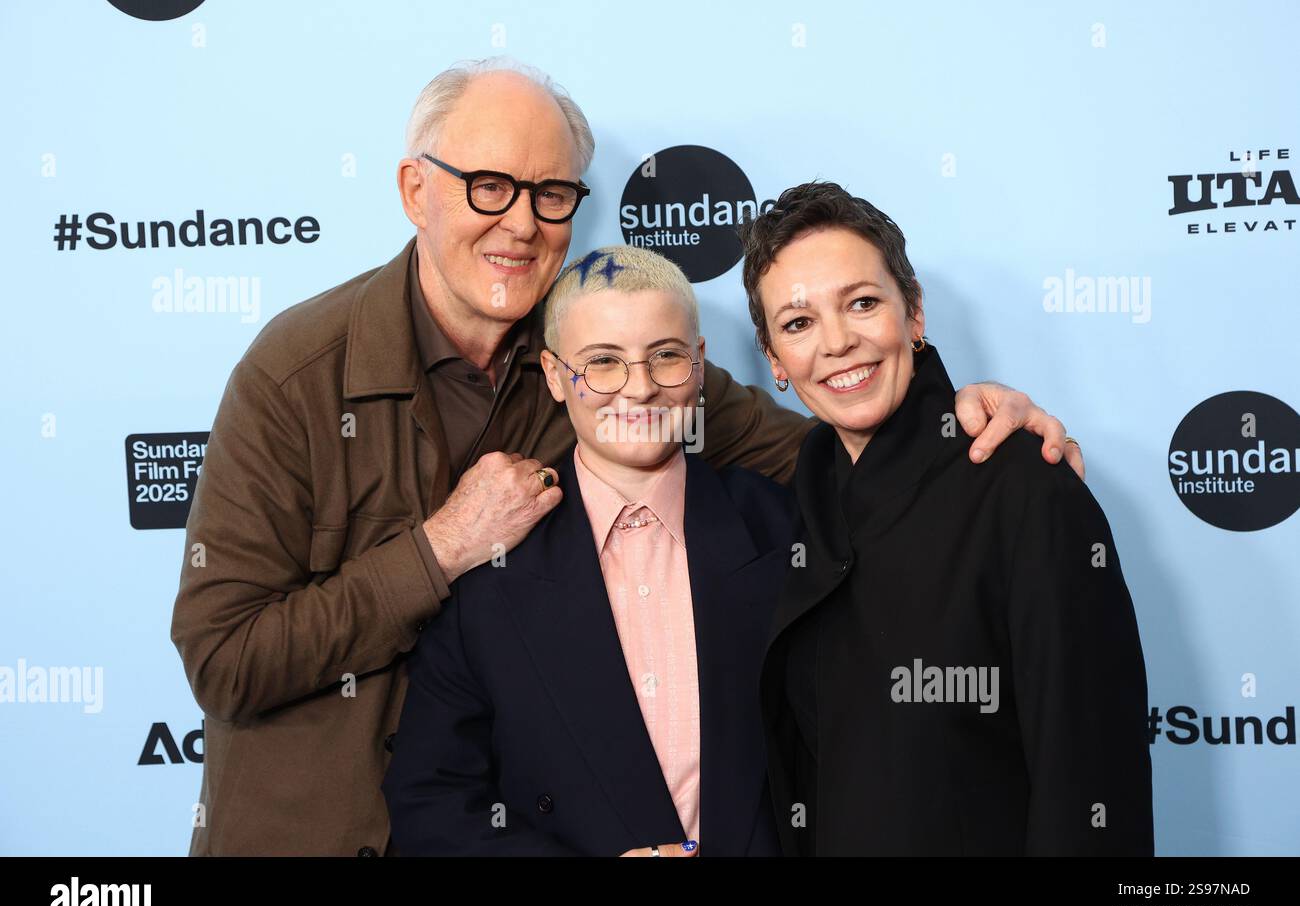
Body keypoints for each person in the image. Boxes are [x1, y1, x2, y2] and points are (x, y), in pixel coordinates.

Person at [169, 57, 1082, 856]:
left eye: (550, 193)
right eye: (488, 184)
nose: (521, 223)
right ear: (415, 190)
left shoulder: (611, 358)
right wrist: (442, 547)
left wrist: (949, 413)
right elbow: (224, 659)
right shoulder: (295, 376)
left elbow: (831, 454)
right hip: (317, 837)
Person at [743, 182, 1153, 856]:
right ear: (774, 363)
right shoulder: (801, 496)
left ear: (915, 313)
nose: (838, 342)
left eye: (863, 303)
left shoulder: (1024, 486)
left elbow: (1090, 779)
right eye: (798, 323)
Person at [383, 245, 794, 856]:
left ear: (700, 363)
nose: (640, 389)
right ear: (553, 375)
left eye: (666, 356)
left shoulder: (782, 530)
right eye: (602, 363)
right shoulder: (491, 570)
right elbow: (432, 801)